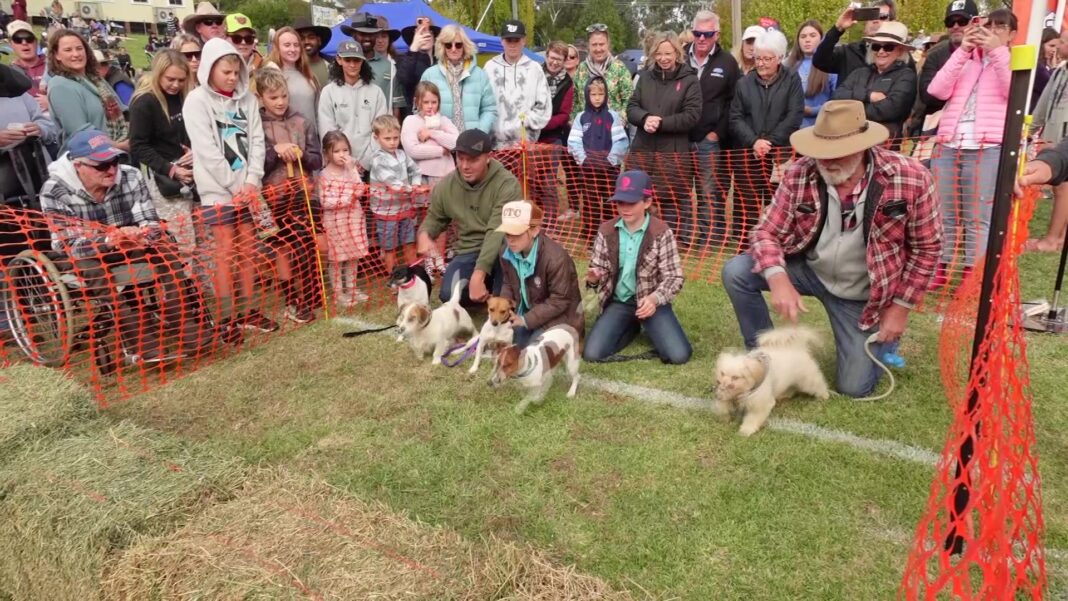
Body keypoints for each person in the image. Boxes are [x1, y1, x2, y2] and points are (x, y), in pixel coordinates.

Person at [721, 100, 942, 398]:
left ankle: (884, 338)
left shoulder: (912, 177)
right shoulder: (800, 172)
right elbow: (765, 232)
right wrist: (778, 278)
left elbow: (928, 250)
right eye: (820, 152)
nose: (825, 161)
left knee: (853, 388)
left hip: (864, 292)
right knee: (736, 272)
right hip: (810, 270)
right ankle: (764, 358)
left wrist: (900, 308)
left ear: (863, 147)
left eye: (837, 153)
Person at [39, 129, 213, 362]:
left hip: (129, 243)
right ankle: (140, 341)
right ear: (78, 165)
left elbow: (150, 221)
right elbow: (68, 245)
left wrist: (143, 235)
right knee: (92, 267)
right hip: (84, 253)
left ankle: (184, 323)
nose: (111, 170)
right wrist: (109, 240)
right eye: (101, 165)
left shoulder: (131, 175)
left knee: (164, 245)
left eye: (114, 161)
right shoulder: (54, 191)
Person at [184, 37, 274, 335]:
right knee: (225, 253)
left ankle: (248, 310)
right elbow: (207, 150)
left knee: (248, 250)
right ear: (210, 69)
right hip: (218, 193)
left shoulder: (247, 100)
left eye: (236, 72)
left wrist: (252, 181)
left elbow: (257, 141)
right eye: (226, 72)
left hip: (248, 190)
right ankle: (226, 317)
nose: (233, 77)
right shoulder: (196, 101)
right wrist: (236, 186)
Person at [927, 9, 1014, 286]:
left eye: (1000, 27)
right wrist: (963, 50)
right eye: (987, 26)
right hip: (949, 143)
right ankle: (941, 266)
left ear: (1012, 34)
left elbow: (1014, 92)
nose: (991, 31)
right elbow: (936, 90)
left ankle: (971, 274)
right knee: (944, 212)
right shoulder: (966, 60)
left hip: (986, 147)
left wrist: (998, 52)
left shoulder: (1013, 60)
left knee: (977, 217)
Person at [584, 170, 691, 365]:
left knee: (679, 355)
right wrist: (593, 278)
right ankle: (631, 325)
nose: (625, 208)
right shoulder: (605, 230)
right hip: (619, 302)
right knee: (592, 354)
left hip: (651, 302)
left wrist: (654, 299)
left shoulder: (662, 232)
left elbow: (674, 277)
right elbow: (597, 271)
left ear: (647, 203)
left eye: (631, 203)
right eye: (620, 202)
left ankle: (645, 323)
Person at [417, 128, 522, 305]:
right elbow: (435, 217)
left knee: (504, 301)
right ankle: (487, 286)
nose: (465, 166)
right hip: (469, 250)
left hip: (503, 249)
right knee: (449, 295)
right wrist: (424, 234)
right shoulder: (446, 186)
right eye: (460, 158)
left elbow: (497, 231)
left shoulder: (507, 184)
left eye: (473, 160)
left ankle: (500, 287)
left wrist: (479, 273)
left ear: (488, 157)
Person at [728, 29, 804, 241]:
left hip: (780, 154)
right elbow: (735, 117)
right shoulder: (744, 83)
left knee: (778, 203)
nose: (761, 63)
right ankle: (746, 245)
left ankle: (777, 244)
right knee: (747, 204)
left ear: (779, 58)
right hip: (748, 154)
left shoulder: (792, 80)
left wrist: (769, 142)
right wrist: (754, 142)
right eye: (758, 58)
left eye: (767, 59)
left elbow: (794, 115)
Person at [626, 30, 701, 241]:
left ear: (677, 53)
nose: (663, 58)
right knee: (641, 196)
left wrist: (662, 123)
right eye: (659, 54)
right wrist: (645, 118)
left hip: (673, 154)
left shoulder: (690, 80)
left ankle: (676, 241)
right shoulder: (645, 78)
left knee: (672, 200)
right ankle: (642, 238)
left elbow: (692, 115)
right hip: (644, 150)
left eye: (668, 53)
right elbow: (632, 107)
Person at [128, 49, 195, 252]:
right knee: (181, 242)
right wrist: (170, 169)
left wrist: (195, 150)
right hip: (164, 180)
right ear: (158, 74)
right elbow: (138, 145)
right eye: (170, 79)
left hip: (192, 174)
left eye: (181, 80)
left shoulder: (185, 97)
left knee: (202, 235)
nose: (175, 85)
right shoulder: (144, 102)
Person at [496, 200, 583, 348]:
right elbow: (508, 282)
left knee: (530, 352)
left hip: (560, 318)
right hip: (530, 314)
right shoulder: (505, 251)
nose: (510, 239)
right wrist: (505, 306)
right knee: (511, 345)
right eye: (507, 233)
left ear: (535, 230)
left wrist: (525, 320)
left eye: (516, 233)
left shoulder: (556, 258)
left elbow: (560, 301)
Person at [686, 10, 739, 246]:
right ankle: (683, 234)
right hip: (680, 137)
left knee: (708, 190)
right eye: (697, 33)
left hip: (709, 138)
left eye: (707, 34)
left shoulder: (727, 62)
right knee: (682, 189)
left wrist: (716, 133)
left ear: (716, 35)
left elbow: (733, 103)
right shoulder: (680, 57)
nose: (701, 38)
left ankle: (709, 236)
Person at [47, 29, 128, 154]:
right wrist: (119, 146)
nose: (76, 54)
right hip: (87, 159)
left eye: (79, 48)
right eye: (68, 50)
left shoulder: (95, 79)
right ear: (57, 55)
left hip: (116, 152)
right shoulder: (59, 86)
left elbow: (122, 109)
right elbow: (80, 132)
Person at [831, 21, 917, 140]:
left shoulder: (906, 76)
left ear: (900, 51)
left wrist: (850, 108)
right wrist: (869, 96)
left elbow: (890, 110)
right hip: (850, 140)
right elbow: (837, 96)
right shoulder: (859, 73)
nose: (881, 51)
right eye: (876, 46)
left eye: (888, 47)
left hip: (884, 142)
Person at [567, 77, 628, 242]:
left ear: (606, 95)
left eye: (600, 94)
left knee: (610, 201)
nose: (597, 98)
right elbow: (574, 141)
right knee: (590, 202)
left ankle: (611, 233)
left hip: (609, 170)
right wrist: (584, 160)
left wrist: (610, 160)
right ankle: (591, 233)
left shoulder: (613, 116)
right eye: (593, 94)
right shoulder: (581, 117)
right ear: (587, 95)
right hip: (589, 169)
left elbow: (621, 141)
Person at [318, 40, 388, 172]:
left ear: (363, 61)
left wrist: (365, 162)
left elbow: (381, 129)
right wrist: (344, 159)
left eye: (356, 60)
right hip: (339, 165)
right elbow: (327, 131)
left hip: (373, 164)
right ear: (339, 60)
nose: (352, 64)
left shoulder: (376, 92)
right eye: (347, 60)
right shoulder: (328, 92)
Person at [1027, 27, 1068, 252]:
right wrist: (1030, 129)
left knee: (1062, 188)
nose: (1059, 45)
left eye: (1063, 41)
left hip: (1063, 142)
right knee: (1060, 188)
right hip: (1054, 136)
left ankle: (1053, 240)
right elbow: (1044, 104)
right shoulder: (1061, 71)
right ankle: (1059, 237)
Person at [318, 131, 370, 306]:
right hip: (336, 222)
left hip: (354, 218)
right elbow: (325, 200)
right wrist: (345, 200)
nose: (342, 154)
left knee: (353, 256)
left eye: (345, 150)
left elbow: (360, 190)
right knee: (337, 258)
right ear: (327, 153)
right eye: (336, 151)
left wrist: (352, 169)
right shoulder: (324, 175)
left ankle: (352, 289)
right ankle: (339, 293)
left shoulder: (351, 170)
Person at [914, 0, 980, 135]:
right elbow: (927, 96)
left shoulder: (985, 53)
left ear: (975, 22)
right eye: (950, 22)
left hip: (976, 130)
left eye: (962, 21)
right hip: (938, 129)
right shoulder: (935, 55)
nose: (955, 26)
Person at [418, 25, 496, 134]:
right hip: (439, 140)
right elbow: (418, 108)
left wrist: (480, 133)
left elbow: (489, 109)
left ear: (465, 46)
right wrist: (433, 133)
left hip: (472, 140)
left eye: (458, 45)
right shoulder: (430, 75)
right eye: (449, 45)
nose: (453, 49)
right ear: (442, 46)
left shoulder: (480, 75)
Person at [485, 19, 550, 149]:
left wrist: (527, 126)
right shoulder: (490, 68)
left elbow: (544, 106)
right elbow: (483, 104)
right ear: (502, 41)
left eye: (517, 40)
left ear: (524, 41)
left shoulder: (534, 69)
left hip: (525, 145)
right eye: (509, 40)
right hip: (495, 145)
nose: (513, 44)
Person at [369, 114, 421, 273]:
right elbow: (393, 183)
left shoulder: (402, 154)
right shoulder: (378, 159)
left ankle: (415, 274)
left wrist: (416, 184)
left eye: (395, 138)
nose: (392, 142)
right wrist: (412, 190)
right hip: (386, 212)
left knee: (409, 242)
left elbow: (416, 170)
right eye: (387, 138)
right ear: (376, 138)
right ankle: (393, 276)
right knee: (389, 247)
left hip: (404, 209)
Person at [813, 0, 897, 80]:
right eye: (871, 16)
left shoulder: (898, 55)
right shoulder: (849, 52)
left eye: (882, 16)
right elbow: (820, 61)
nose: (875, 20)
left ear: (893, 23)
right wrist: (838, 28)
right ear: (865, 23)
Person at [342, 13, 404, 116]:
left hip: (380, 124)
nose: (367, 38)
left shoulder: (389, 66)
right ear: (354, 35)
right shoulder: (342, 65)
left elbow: (395, 105)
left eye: (371, 34)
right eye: (362, 34)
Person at [264, 27, 320, 141]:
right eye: (287, 45)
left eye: (296, 45)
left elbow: (317, 112)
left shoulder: (309, 76)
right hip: (285, 141)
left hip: (312, 141)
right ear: (277, 47)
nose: (293, 49)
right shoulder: (270, 75)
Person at [570, 23, 633, 120]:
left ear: (608, 45)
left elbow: (629, 99)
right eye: (594, 45)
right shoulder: (581, 69)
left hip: (613, 126)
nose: (598, 49)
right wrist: (576, 121)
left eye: (601, 44)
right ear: (589, 46)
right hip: (586, 125)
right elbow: (574, 101)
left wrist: (619, 121)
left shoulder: (619, 68)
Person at [401, 81, 458, 185]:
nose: (430, 106)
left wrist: (432, 133)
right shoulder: (411, 121)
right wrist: (441, 151)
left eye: (434, 102)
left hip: (447, 175)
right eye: (426, 102)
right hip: (422, 176)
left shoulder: (444, 121)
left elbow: (456, 143)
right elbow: (412, 150)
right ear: (417, 102)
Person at [787, 20, 837, 128]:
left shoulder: (831, 65)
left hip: (822, 126)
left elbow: (837, 101)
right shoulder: (788, 65)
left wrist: (812, 110)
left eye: (812, 36)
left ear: (821, 39)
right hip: (793, 128)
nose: (807, 40)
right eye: (803, 36)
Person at [397, 17, 440, 111]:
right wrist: (414, 48)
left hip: (438, 114)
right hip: (416, 114)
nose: (425, 36)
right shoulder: (406, 59)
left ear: (434, 38)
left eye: (429, 32)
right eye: (420, 33)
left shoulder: (440, 61)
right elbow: (403, 79)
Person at [539, 41, 574, 146]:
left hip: (553, 137)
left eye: (559, 59)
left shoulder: (567, 83)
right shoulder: (535, 73)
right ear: (546, 56)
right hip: (529, 133)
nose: (554, 62)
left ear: (564, 61)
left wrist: (544, 123)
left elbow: (564, 114)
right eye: (552, 58)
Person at [7, 20, 47, 110]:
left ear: (36, 42)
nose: (24, 43)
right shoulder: (8, 73)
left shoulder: (54, 65)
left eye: (29, 39)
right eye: (18, 40)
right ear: (11, 45)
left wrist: (52, 104)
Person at [294, 18, 332, 89]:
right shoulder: (290, 68)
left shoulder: (333, 64)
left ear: (319, 41)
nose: (306, 42)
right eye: (302, 39)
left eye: (311, 37)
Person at [1033, 27, 1059, 114]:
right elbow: (1052, 88)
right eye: (1051, 46)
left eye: (1056, 47)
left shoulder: (1043, 66)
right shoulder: (1038, 67)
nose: (1054, 50)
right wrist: (1054, 68)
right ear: (1041, 44)